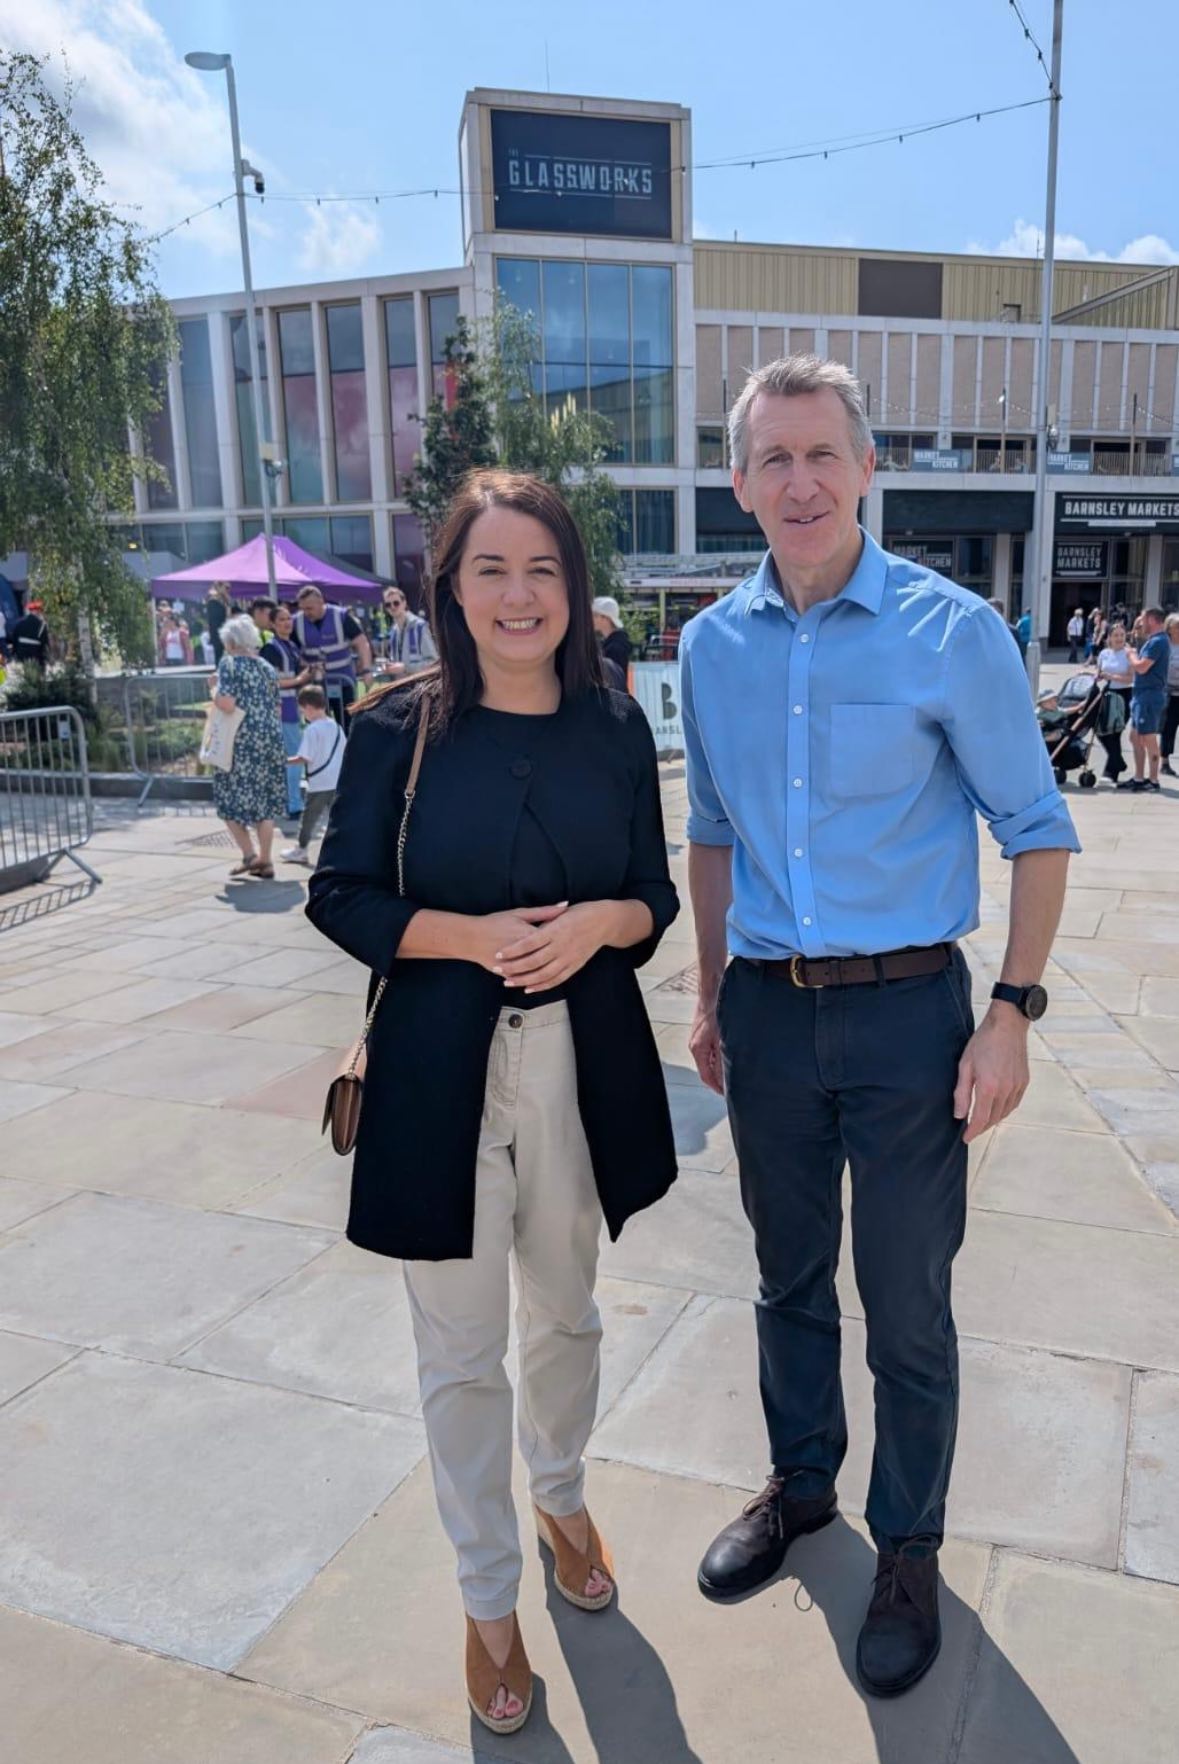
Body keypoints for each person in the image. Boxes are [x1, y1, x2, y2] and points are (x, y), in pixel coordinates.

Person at [680, 354, 1078, 1700]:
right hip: (767, 1019)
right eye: (770, 459)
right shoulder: (707, 645)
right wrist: (701, 990)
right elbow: (713, 833)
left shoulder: (947, 629)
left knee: (903, 1304)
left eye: (820, 454)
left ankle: (904, 1546)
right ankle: (802, 1490)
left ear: (863, 470)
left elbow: (1034, 830)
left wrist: (1009, 1012)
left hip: (913, 1018)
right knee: (784, 1280)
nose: (797, 482)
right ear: (736, 484)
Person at [306, 469, 679, 1736]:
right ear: (446, 592)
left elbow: (652, 902)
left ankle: (562, 1492)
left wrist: (597, 927)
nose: (520, 596)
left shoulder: (616, 726)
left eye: (542, 571)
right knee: (460, 1355)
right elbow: (341, 893)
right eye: (490, 571)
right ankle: (487, 1601)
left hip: (582, 1064)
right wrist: (464, 936)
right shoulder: (392, 729)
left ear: (573, 590)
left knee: (565, 1314)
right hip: (435, 1077)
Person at [210, 613, 287, 880]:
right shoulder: (266, 666)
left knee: (227, 798)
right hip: (270, 739)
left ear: (230, 643)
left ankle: (249, 855)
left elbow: (227, 703)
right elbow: (277, 706)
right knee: (264, 802)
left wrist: (213, 690)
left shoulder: (229, 665)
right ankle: (266, 860)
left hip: (240, 743)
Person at [280, 685, 345, 864]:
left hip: (319, 783)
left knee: (309, 819)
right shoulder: (336, 726)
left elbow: (304, 757)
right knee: (338, 818)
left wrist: (284, 761)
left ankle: (301, 850)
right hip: (336, 781)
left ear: (308, 707)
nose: (303, 715)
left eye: (302, 711)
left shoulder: (312, 730)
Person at [261, 602, 314, 820]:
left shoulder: (291, 646)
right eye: (281, 620)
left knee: (291, 756)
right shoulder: (270, 648)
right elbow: (271, 681)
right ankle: (292, 804)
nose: (286, 623)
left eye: (288, 619)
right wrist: (299, 679)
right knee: (293, 756)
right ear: (272, 624)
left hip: (293, 706)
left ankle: (288, 801)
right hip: (281, 707)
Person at [293, 585, 374, 722]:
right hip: (315, 685)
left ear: (321, 602)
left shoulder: (341, 616)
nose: (306, 612)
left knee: (347, 724)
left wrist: (366, 669)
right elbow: (293, 652)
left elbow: (361, 643)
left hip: (343, 682)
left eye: (309, 608)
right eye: (303, 608)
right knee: (318, 727)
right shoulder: (296, 622)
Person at [1123, 606, 1170, 793]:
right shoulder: (1153, 641)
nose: (1140, 623)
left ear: (1151, 619)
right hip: (1141, 694)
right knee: (1135, 737)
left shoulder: (1158, 642)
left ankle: (1153, 779)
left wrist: (1131, 655)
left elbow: (1142, 667)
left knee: (1148, 737)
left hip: (1149, 696)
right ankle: (1139, 777)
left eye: (1142, 619)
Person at [379, 584, 438, 675]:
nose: (392, 607)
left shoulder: (419, 626)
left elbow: (433, 663)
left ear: (404, 603)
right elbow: (397, 663)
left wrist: (405, 668)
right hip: (400, 686)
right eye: (388, 605)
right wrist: (390, 667)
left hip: (419, 686)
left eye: (396, 603)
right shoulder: (393, 631)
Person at [592, 595, 632, 678]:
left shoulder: (615, 648)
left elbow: (613, 682)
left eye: (595, 615)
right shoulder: (609, 644)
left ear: (606, 618)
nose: (591, 619)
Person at [1160, 613, 1179, 778]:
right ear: (1169, 629)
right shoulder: (1165, 645)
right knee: (1168, 728)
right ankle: (1164, 762)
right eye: (1177, 626)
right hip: (1169, 693)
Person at [10, 599, 50, 668]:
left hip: (21, 652)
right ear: (38, 611)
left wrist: (14, 652)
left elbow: (15, 638)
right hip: (35, 653)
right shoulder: (42, 625)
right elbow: (44, 642)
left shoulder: (20, 623)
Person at [205, 582, 231, 664]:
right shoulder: (213, 601)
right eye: (226, 588)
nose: (228, 590)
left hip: (225, 632)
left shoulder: (224, 600)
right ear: (219, 587)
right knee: (219, 656)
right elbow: (217, 618)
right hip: (218, 633)